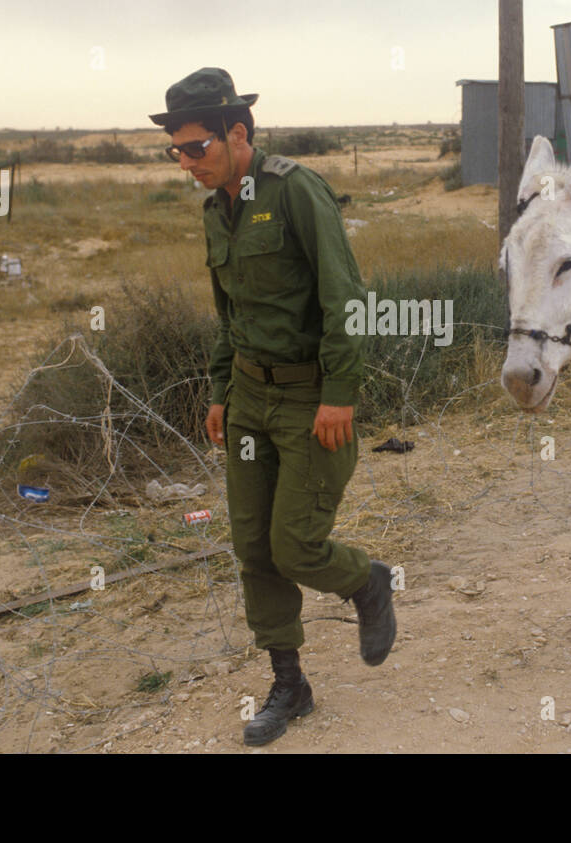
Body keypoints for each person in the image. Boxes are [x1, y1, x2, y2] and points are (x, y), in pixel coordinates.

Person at [149, 68, 396, 747]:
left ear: (238, 133)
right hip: (251, 398)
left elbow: (343, 293)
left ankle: (367, 581)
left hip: (308, 395)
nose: (186, 162)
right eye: (176, 150)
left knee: (295, 544)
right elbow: (229, 313)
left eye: (195, 147)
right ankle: (290, 683)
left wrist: (340, 391)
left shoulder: (294, 191)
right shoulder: (213, 212)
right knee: (253, 546)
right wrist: (222, 389)